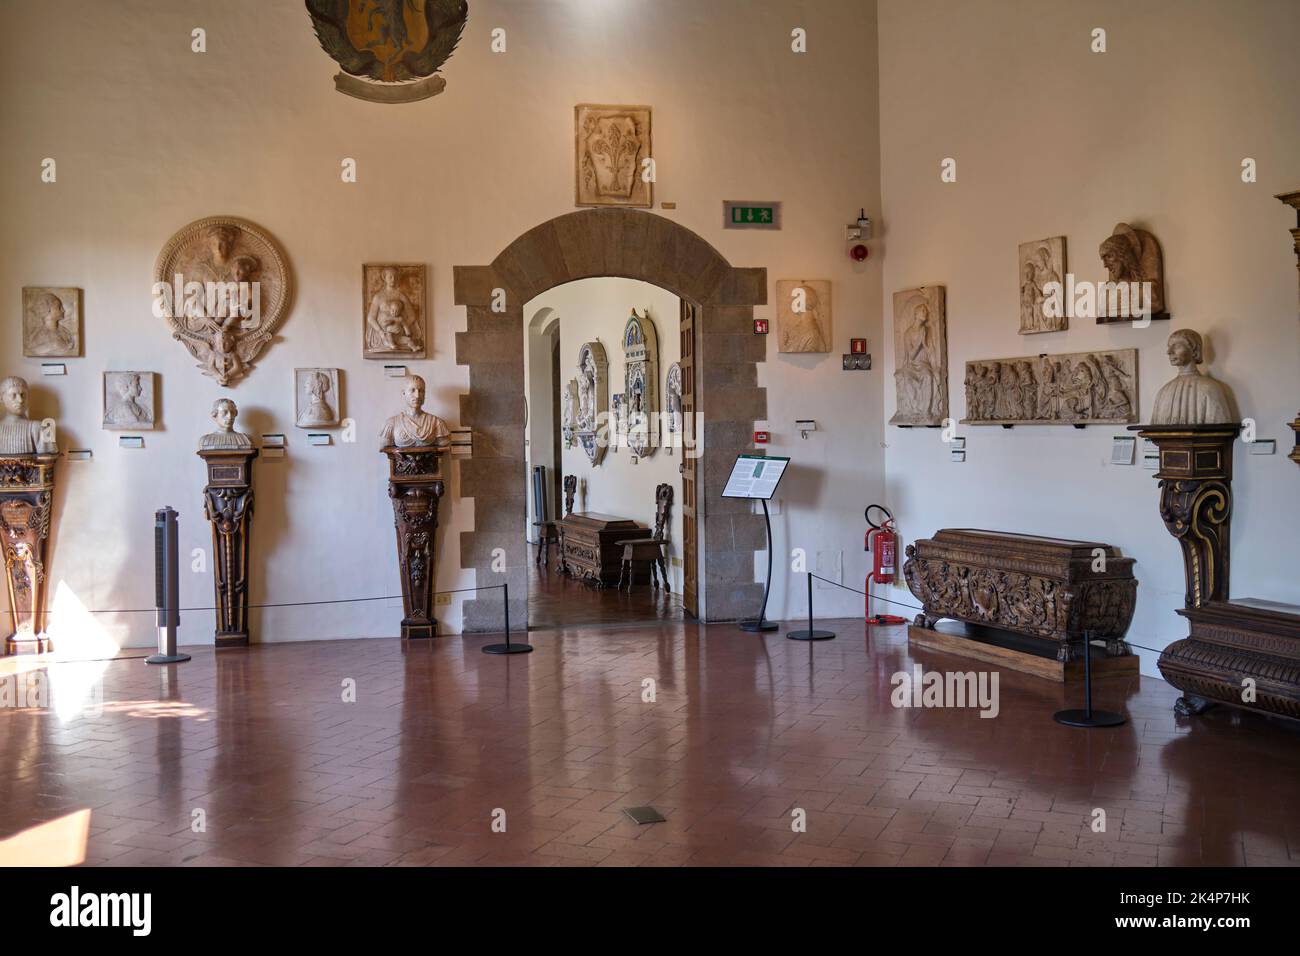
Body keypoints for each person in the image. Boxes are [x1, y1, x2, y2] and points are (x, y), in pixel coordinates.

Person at [1151, 329, 1234, 425]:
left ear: (1195, 350)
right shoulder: (1163, 392)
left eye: (1177, 346)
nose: (1169, 351)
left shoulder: (1210, 388)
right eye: (1169, 346)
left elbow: (1221, 431)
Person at [378, 375, 451, 448]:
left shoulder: (436, 423)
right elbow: (384, 445)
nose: (417, 395)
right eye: (412, 390)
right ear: (404, 393)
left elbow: (444, 443)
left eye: (421, 391)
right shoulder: (391, 424)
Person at [0, 376, 54, 454]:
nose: (20, 400)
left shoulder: (41, 427)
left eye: (23, 395)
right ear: (1, 398)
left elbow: (49, 460)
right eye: (13, 395)